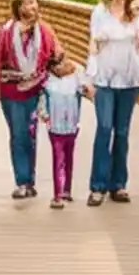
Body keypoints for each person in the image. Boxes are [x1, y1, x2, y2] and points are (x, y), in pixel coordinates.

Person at [85, 0, 139, 206]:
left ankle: (119, 185)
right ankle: (97, 186)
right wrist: (90, 76)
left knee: (122, 131)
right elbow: (92, 43)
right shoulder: (100, 12)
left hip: (130, 79)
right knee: (105, 128)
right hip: (104, 78)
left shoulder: (137, 14)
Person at [0, 0, 59, 199]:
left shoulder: (44, 31)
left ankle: (29, 180)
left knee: (30, 135)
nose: (32, 6)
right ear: (19, 8)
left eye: (34, 2)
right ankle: (22, 181)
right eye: (27, 3)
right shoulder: (6, 32)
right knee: (19, 135)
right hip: (11, 90)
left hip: (36, 89)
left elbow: (57, 55)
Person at [37, 51, 94, 209]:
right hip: (55, 127)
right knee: (58, 159)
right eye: (58, 64)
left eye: (64, 62)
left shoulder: (75, 78)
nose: (64, 66)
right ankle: (58, 194)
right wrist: (44, 115)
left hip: (72, 126)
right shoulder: (48, 82)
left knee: (69, 157)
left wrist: (88, 91)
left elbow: (86, 91)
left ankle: (67, 189)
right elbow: (42, 100)